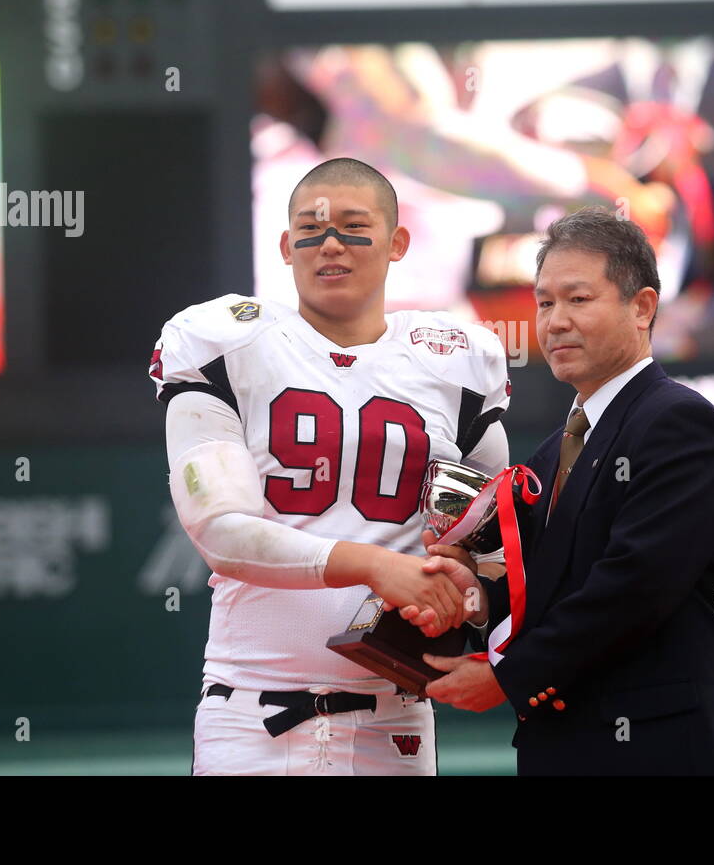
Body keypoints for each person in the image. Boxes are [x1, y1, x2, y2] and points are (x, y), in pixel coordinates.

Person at [150, 158, 511, 775]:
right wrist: (377, 566)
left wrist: (460, 598)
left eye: (353, 226)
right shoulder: (225, 340)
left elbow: (489, 551)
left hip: (395, 722)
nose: (331, 245)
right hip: (250, 718)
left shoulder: (457, 361)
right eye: (311, 232)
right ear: (287, 247)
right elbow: (221, 533)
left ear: (398, 242)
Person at [421, 206, 714, 775]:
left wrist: (510, 676)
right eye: (544, 302)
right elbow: (536, 591)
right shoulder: (554, 451)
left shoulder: (678, 421)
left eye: (578, 300)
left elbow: (636, 585)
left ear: (643, 307)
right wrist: (471, 593)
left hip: (665, 753)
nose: (554, 322)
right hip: (565, 749)